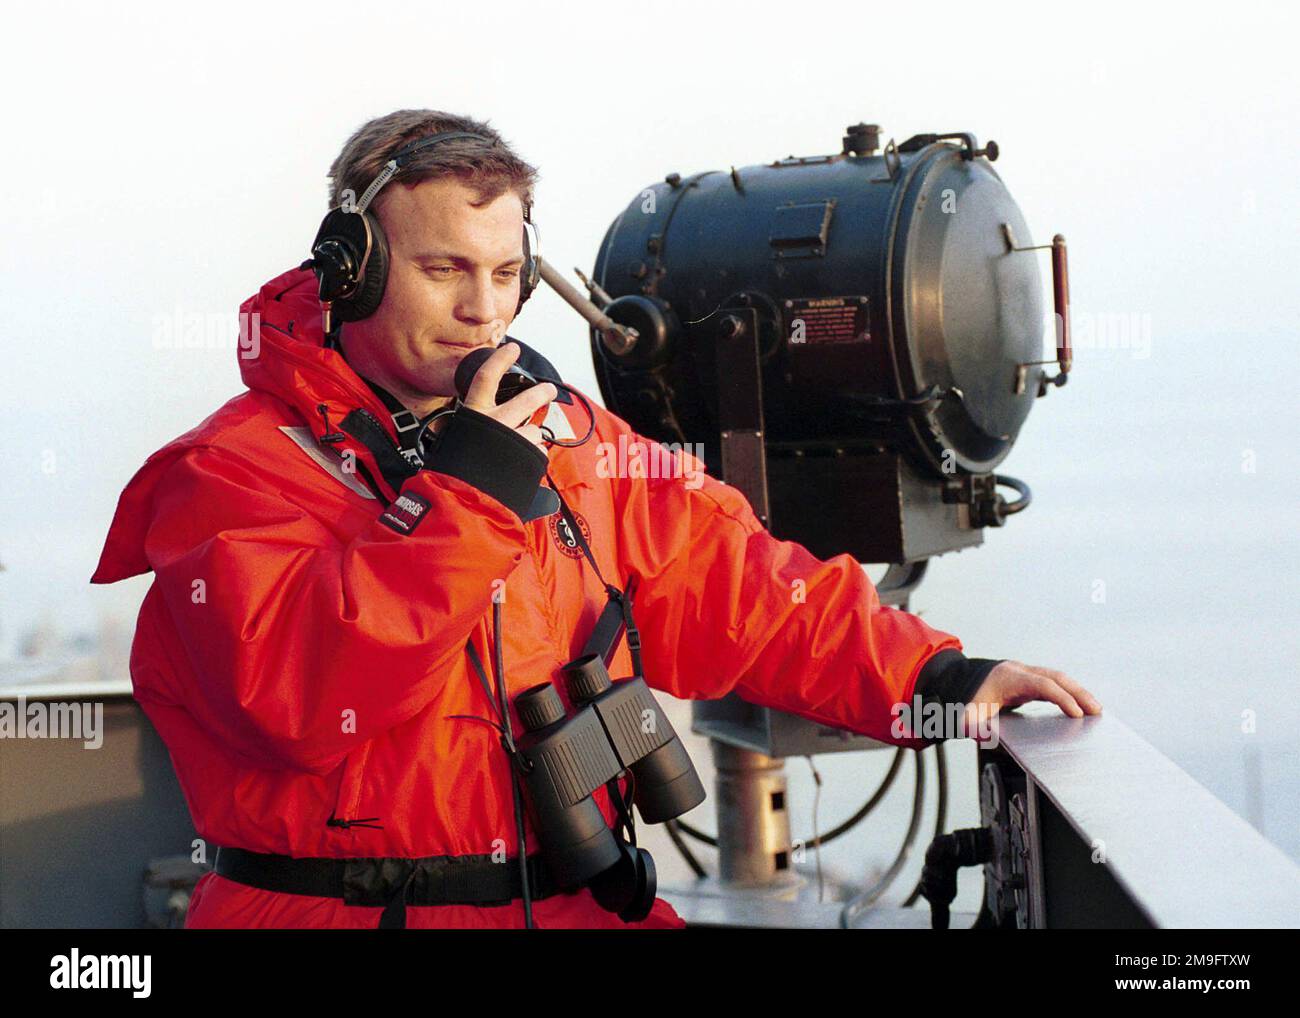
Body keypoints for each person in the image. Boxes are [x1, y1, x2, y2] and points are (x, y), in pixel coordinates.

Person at [91, 108, 1101, 930]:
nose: (483, 312)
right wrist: (473, 498)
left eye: (502, 274)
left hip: (574, 906)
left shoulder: (566, 438)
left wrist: (936, 677)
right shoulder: (230, 473)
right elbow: (296, 698)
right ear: (350, 265)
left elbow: (743, 588)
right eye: (444, 269)